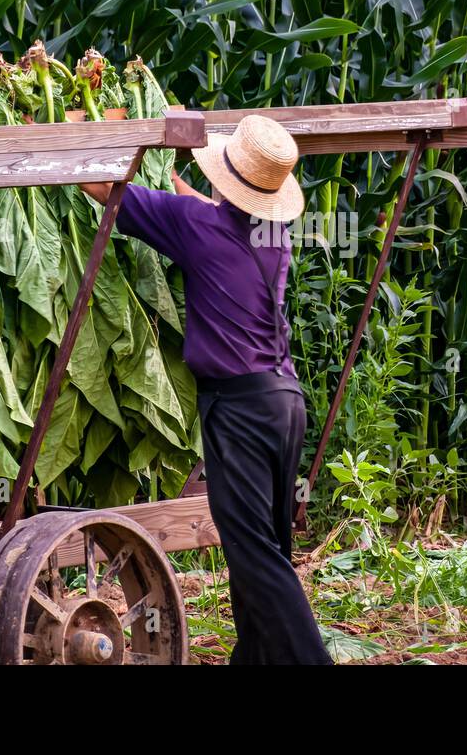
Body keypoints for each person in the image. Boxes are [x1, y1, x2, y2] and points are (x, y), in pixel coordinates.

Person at [80, 114, 333, 665]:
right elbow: (213, 218)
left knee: (253, 554)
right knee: (265, 546)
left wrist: (65, 145)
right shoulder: (273, 236)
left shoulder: (196, 224)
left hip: (239, 407)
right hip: (284, 403)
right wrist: (177, 186)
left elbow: (104, 189)